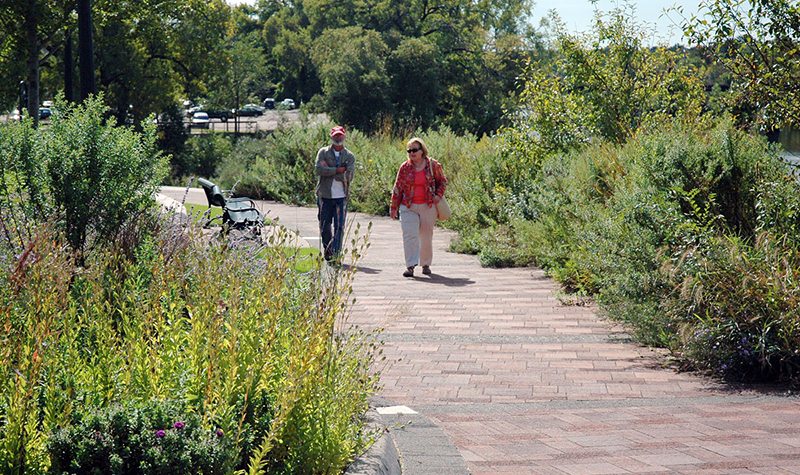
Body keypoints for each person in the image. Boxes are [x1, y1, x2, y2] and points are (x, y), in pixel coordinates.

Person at [389, 137, 447, 277]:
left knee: (426, 236)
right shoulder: (405, 167)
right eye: (409, 151)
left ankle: (425, 264)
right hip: (408, 206)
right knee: (409, 235)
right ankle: (410, 266)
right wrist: (393, 206)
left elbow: (442, 181)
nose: (412, 153)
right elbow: (398, 187)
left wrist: (438, 196)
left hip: (428, 205)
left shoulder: (433, 165)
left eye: (414, 150)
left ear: (422, 150)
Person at [315, 126, 355, 263]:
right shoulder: (323, 152)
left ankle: (336, 255)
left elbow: (349, 176)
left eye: (340, 136)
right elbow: (318, 170)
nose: (338, 138)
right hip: (324, 196)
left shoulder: (349, 156)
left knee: (339, 227)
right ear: (331, 137)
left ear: (344, 137)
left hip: (341, 197)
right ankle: (328, 251)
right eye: (336, 136)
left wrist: (329, 170)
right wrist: (338, 170)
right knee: (324, 226)